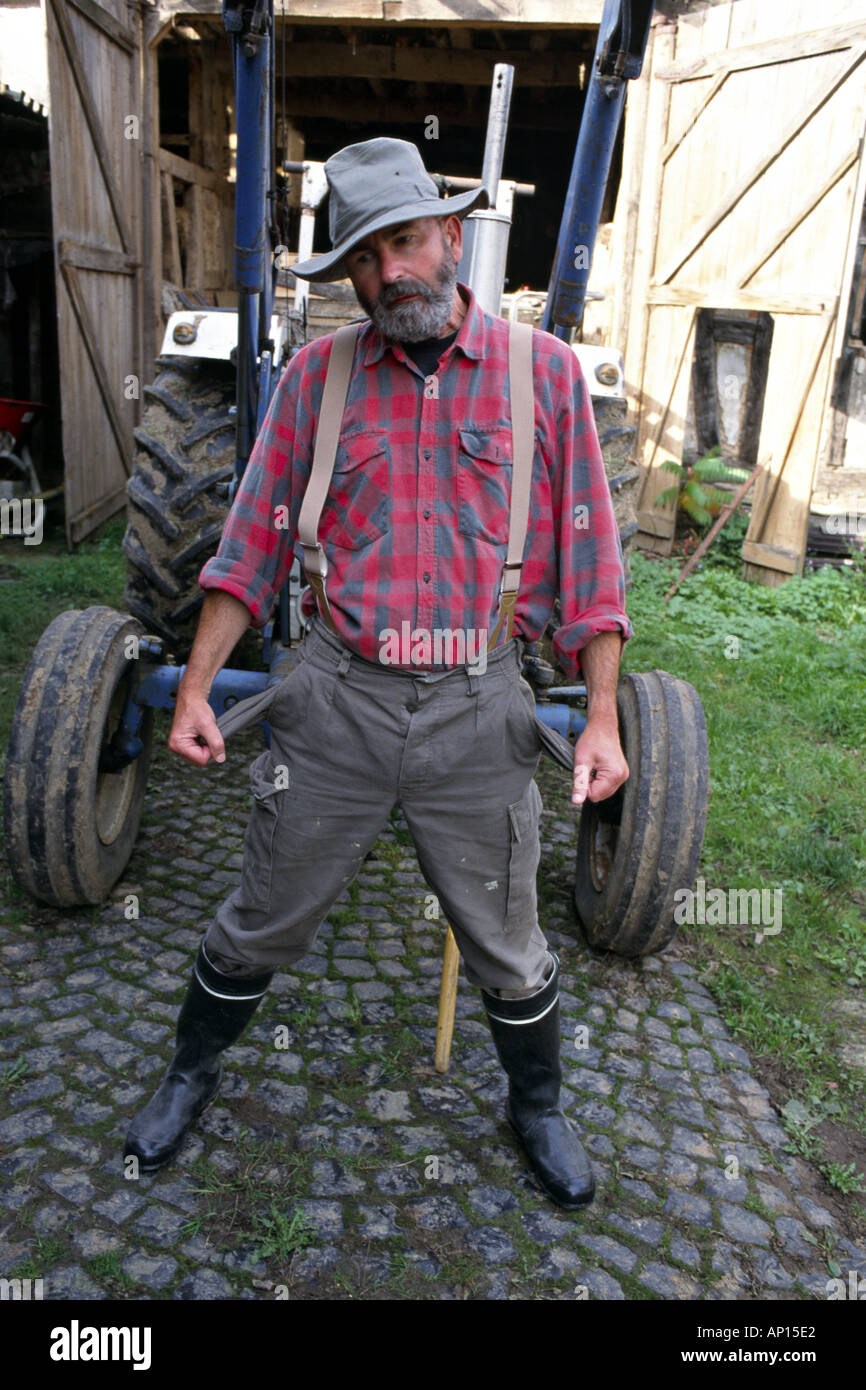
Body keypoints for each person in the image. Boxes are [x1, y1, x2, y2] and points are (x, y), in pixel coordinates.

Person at [125, 138, 632, 1210]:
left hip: (477, 701)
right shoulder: (319, 376)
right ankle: (187, 1072)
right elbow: (249, 544)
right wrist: (194, 686)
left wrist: (597, 719)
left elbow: (591, 561)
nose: (385, 273)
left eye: (403, 242)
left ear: (450, 238)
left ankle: (534, 1104)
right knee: (262, 913)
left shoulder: (542, 376)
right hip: (334, 697)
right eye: (361, 258)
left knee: (505, 939)